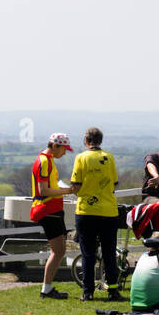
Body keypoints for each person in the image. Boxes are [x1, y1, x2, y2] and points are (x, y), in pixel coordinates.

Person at [68, 127, 118, 302]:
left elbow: (76, 186)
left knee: (88, 253)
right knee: (109, 253)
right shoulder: (109, 157)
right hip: (109, 211)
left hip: (87, 212)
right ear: (101, 140)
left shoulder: (81, 158)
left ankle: (88, 292)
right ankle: (113, 290)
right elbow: (114, 184)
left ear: (86, 140)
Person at [31, 132, 75, 299]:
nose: (64, 153)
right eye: (63, 149)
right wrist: (67, 191)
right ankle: (46, 289)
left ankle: (47, 288)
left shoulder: (47, 160)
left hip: (53, 210)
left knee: (59, 250)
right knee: (57, 251)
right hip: (48, 210)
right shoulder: (44, 161)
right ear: (55, 146)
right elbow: (43, 190)